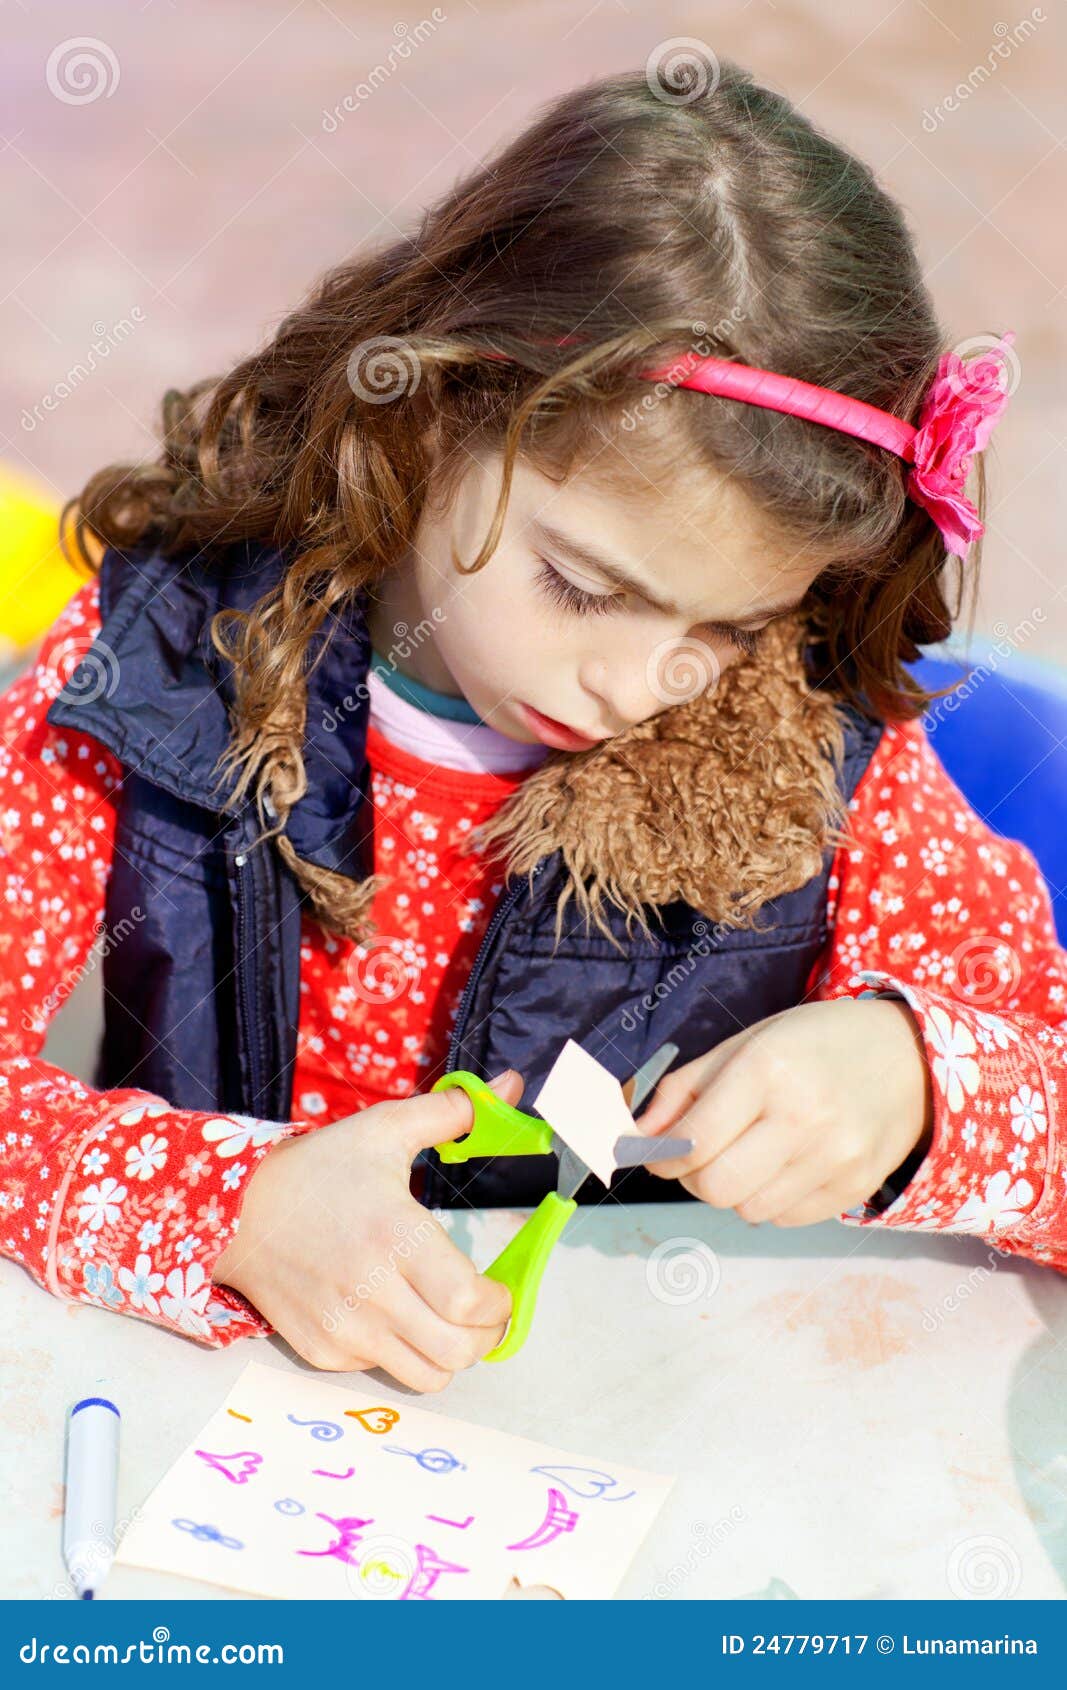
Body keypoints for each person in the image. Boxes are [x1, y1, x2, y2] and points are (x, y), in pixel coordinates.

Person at [2, 58, 1064, 1390]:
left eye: (728, 625)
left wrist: (923, 1078)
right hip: (229, 1452)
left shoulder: (824, 762)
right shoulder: (156, 669)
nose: (646, 684)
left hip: (673, 1467)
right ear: (439, 409)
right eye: (584, 586)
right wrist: (231, 1206)